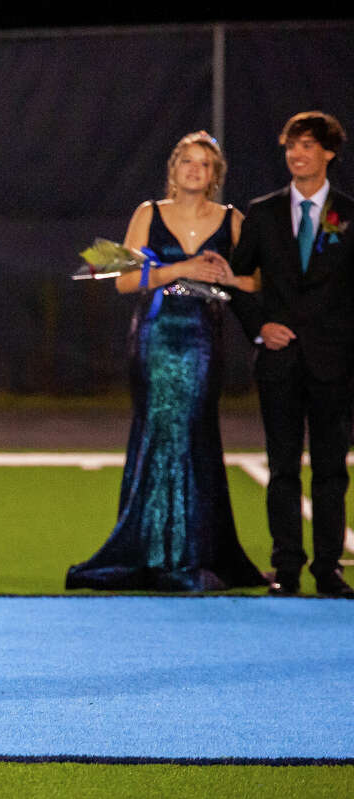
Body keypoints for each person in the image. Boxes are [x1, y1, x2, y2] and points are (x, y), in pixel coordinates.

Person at [67, 131, 267, 592]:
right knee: (158, 431)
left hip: (201, 339)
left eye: (204, 164)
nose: (194, 170)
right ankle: (151, 553)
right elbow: (119, 280)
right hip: (156, 337)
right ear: (173, 169)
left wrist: (229, 276)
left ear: (215, 175)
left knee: (193, 434)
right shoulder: (148, 213)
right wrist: (180, 269)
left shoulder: (232, 219)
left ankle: (192, 554)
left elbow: (260, 280)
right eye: (187, 162)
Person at [228, 112, 354, 598]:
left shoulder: (349, 212)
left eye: (307, 146)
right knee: (281, 468)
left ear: (329, 153)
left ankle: (328, 569)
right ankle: (286, 569)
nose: (297, 155)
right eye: (290, 147)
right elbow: (235, 281)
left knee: (330, 470)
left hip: (333, 365)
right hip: (278, 364)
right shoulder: (261, 213)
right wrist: (260, 327)